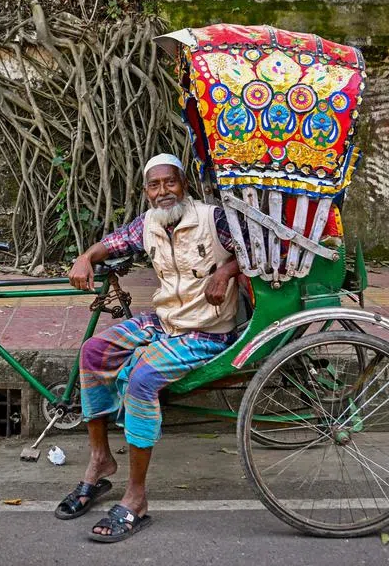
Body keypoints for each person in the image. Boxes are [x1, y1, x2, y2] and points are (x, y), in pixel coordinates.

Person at [54, 153, 242, 543]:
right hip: (163, 321)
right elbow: (113, 242)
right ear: (146, 191)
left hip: (206, 331)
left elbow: (254, 251)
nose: (162, 192)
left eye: (169, 183)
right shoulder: (149, 224)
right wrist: (86, 257)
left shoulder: (213, 218)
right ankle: (100, 461)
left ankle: (136, 498)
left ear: (183, 185)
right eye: (154, 186)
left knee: (141, 379)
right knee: (93, 352)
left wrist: (225, 270)